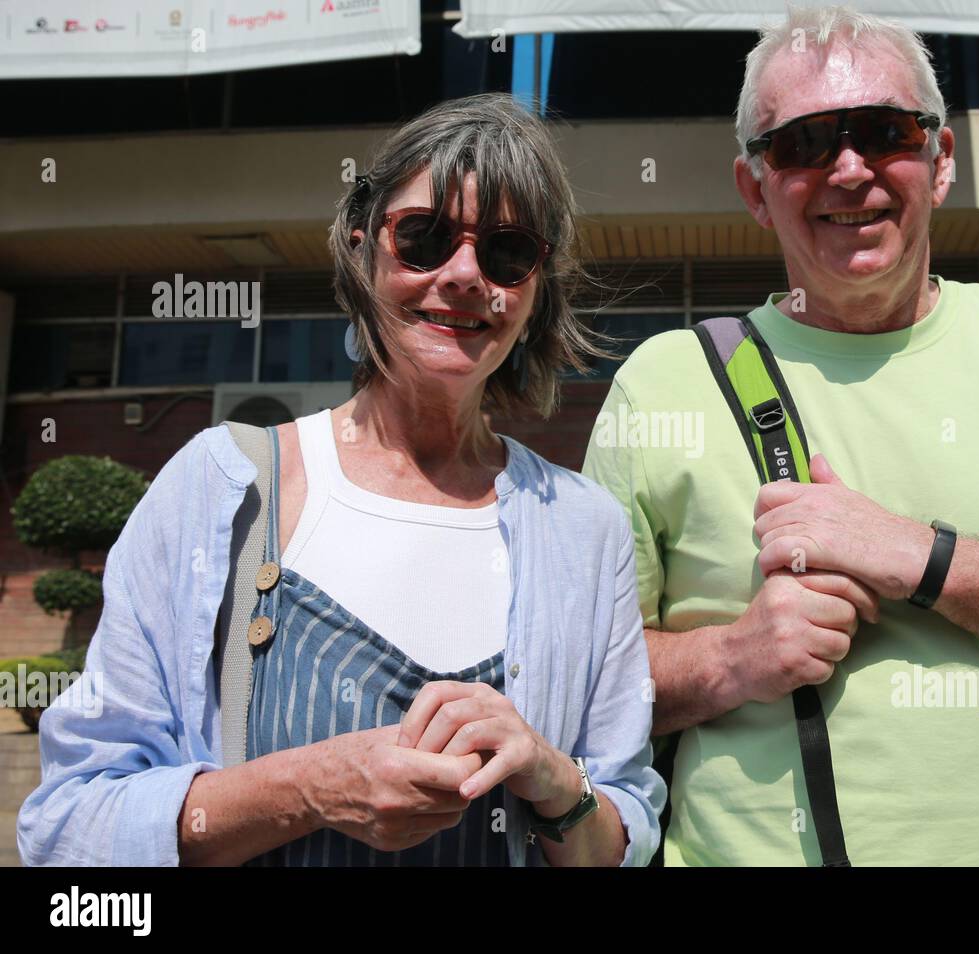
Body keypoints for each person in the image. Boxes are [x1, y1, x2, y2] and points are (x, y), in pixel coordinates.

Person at [582, 7, 979, 866]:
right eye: (804, 144)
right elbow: (580, 689)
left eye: (884, 132)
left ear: (940, 163)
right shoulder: (662, 382)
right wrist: (729, 660)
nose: (849, 169)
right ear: (754, 188)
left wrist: (925, 558)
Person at [19, 92, 664, 867]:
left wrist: (556, 780)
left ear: (534, 293)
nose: (463, 275)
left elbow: (620, 830)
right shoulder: (225, 491)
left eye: (506, 251)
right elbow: (68, 824)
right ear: (362, 250)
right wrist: (309, 789)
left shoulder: (584, 527)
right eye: (423, 238)